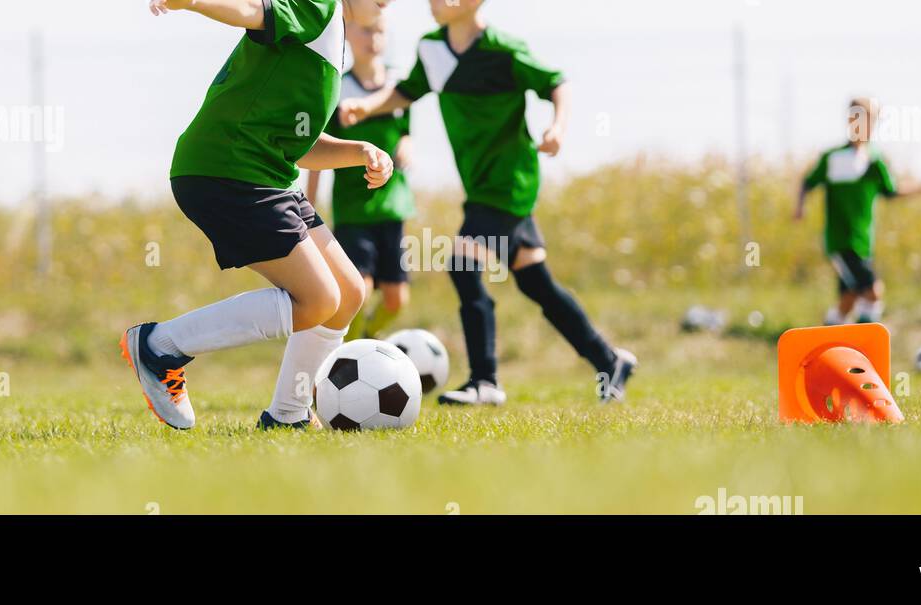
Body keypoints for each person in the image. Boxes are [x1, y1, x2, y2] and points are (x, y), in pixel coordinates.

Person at [340, 0, 636, 405]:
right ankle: (609, 360)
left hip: (510, 181)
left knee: (462, 264)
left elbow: (557, 83)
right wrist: (367, 106)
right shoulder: (431, 48)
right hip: (480, 186)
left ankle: (485, 381)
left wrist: (557, 128)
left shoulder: (503, 50)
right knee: (537, 284)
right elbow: (407, 92)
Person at [121, 0, 394, 431]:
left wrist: (359, 151)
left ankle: (288, 415)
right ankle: (160, 346)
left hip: (266, 174)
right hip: (227, 170)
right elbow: (251, 9)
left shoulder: (331, 36)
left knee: (347, 293)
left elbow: (297, 142)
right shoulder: (318, 6)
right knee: (318, 299)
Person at [306, 12, 415, 341]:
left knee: (397, 300)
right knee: (359, 290)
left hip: (393, 207)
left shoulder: (398, 86)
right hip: (354, 209)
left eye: (379, 31)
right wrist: (308, 205)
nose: (374, 39)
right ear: (348, 33)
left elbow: (405, 129)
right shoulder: (338, 88)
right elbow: (316, 150)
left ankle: (367, 340)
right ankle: (343, 353)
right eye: (366, 31)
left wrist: (407, 144)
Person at [795, 97, 921, 325]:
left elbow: (891, 191)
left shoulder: (874, 160)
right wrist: (799, 207)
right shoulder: (833, 158)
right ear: (851, 120)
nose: (867, 126)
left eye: (872, 121)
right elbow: (807, 182)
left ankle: (828, 333)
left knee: (849, 297)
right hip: (841, 240)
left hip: (863, 241)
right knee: (873, 291)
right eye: (862, 119)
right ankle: (866, 341)